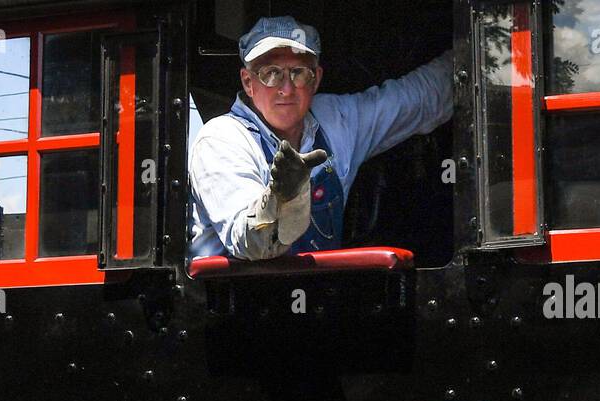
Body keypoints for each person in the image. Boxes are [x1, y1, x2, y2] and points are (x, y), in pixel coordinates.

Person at [189, 15, 454, 260]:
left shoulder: (335, 119)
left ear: (316, 80)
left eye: (298, 73)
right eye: (271, 73)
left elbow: (416, 101)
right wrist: (283, 199)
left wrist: (478, 55)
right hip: (237, 303)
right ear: (248, 82)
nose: (286, 88)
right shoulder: (221, 139)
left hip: (321, 296)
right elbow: (250, 242)